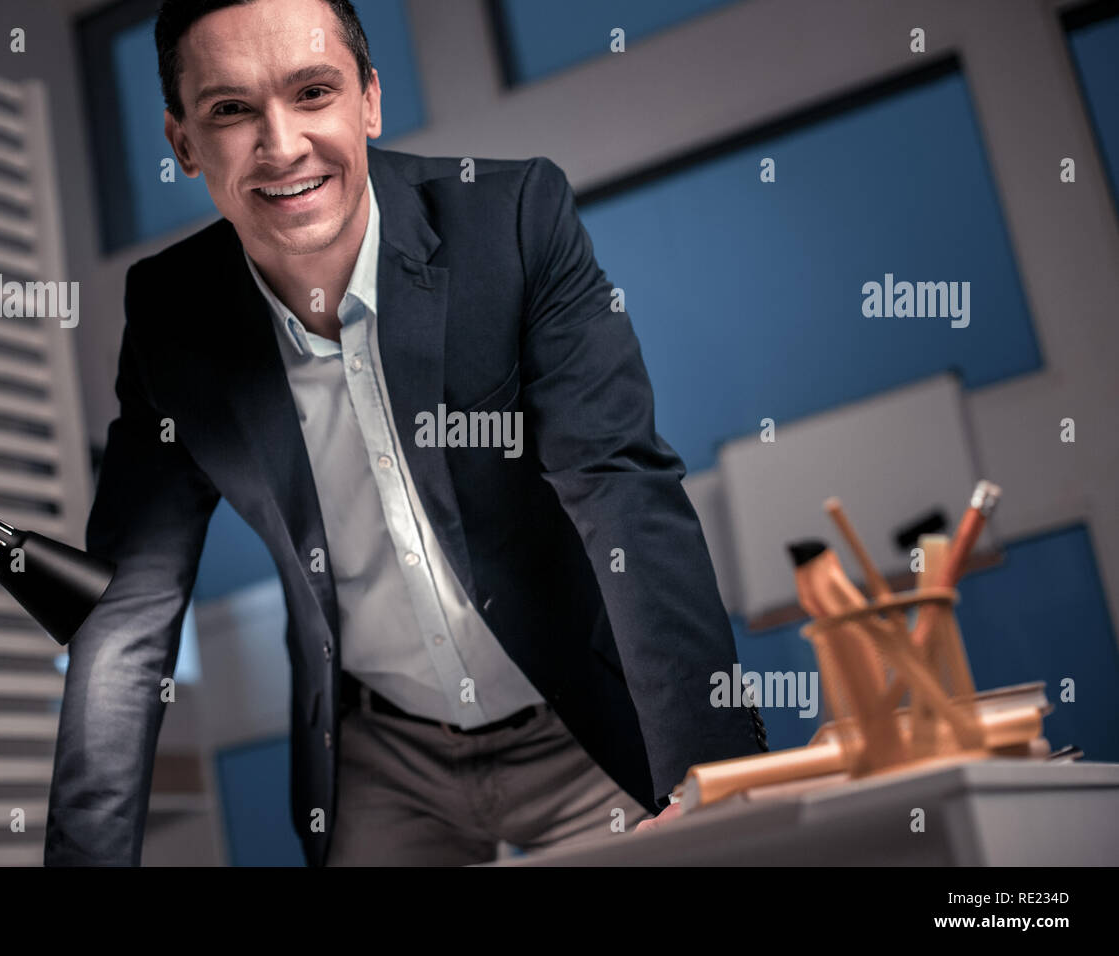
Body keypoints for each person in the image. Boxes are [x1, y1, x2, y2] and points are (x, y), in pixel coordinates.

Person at [45, 0, 765, 867]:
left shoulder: (511, 222)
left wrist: (714, 779)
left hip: (578, 719)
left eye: (313, 92)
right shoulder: (171, 316)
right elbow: (128, 613)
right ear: (184, 143)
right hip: (382, 759)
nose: (282, 146)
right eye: (232, 110)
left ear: (369, 101)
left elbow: (623, 493)